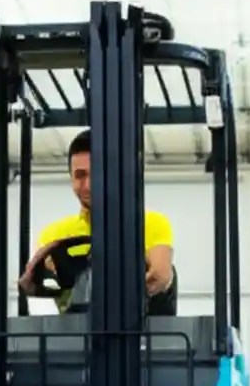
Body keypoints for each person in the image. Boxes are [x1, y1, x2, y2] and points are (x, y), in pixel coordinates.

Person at [19, 128, 176, 312]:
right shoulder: (54, 234)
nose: (87, 186)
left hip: (138, 332)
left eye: (96, 174)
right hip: (76, 335)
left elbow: (161, 274)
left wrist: (156, 277)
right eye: (80, 176)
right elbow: (46, 286)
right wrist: (32, 283)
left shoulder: (150, 222)